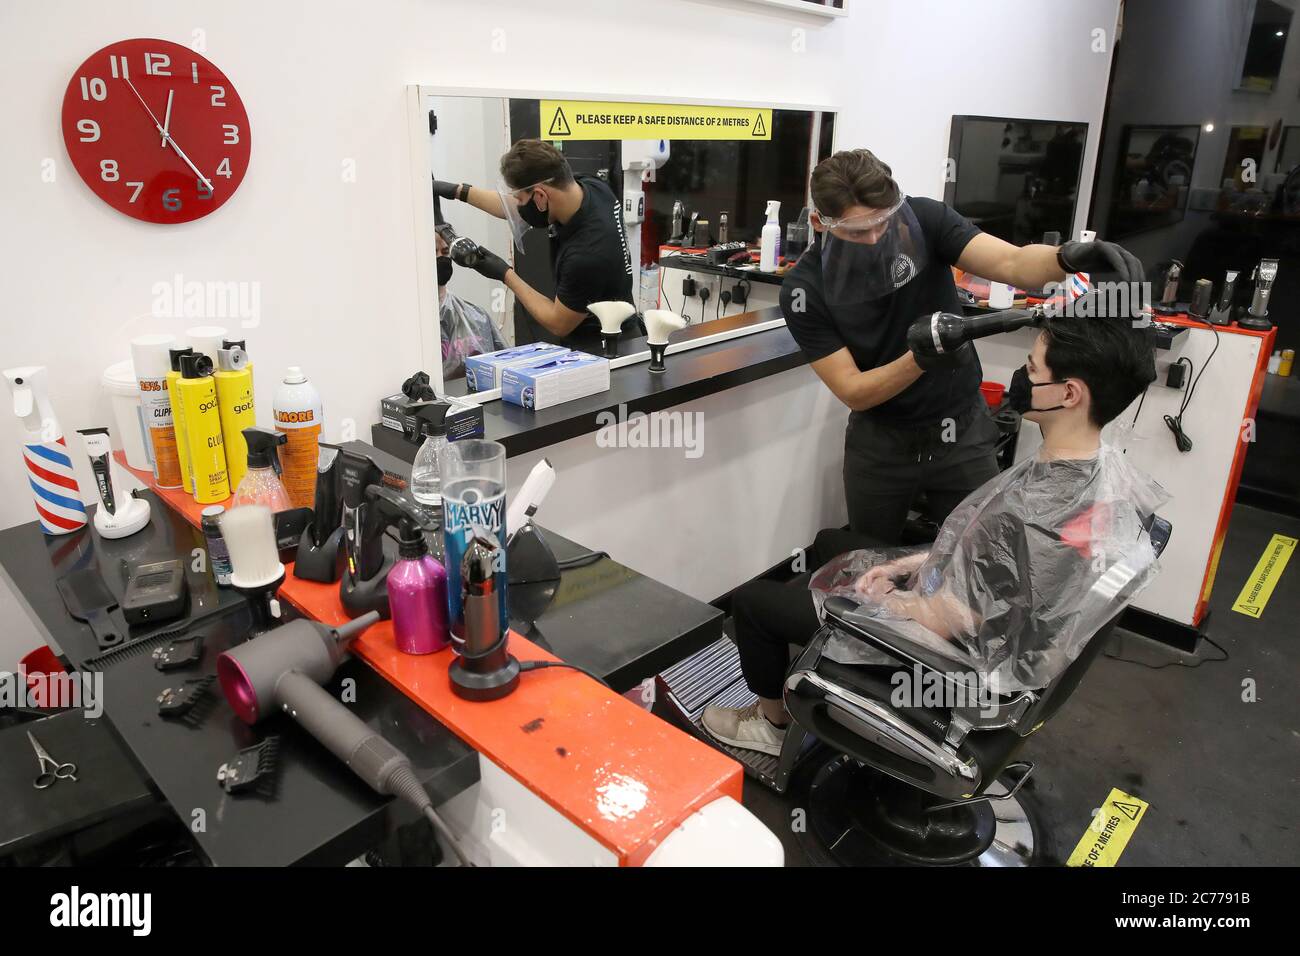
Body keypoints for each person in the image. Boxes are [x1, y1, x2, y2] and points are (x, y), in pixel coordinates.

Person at [701, 313, 1162, 757]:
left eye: (1031, 369)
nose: (1021, 377)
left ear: (1069, 393)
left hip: (957, 659)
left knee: (754, 603)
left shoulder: (1046, 512)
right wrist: (905, 566)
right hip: (964, 606)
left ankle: (773, 724)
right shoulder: (1086, 472)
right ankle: (823, 673)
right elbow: (991, 566)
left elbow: (980, 624)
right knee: (829, 544)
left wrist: (890, 604)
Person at [780, 147, 1146, 544]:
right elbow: (853, 390)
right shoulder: (805, 290)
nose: (872, 238)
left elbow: (1012, 263)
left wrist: (1067, 257)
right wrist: (920, 358)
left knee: (984, 550)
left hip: (962, 431)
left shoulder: (924, 219)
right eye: (855, 230)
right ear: (820, 221)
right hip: (880, 445)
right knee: (868, 558)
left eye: (882, 222)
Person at [433, 139, 635, 353]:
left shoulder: (587, 254)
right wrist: (458, 191)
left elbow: (558, 322)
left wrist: (505, 274)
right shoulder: (591, 188)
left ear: (540, 196)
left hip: (606, 348)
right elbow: (513, 210)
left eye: (520, 199)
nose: (517, 205)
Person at [436, 229, 506, 380]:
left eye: (445, 251)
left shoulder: (476, 317)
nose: (440, 258)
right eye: (433, 251)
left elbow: (503, 366)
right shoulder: (410, 327)